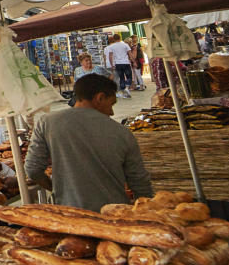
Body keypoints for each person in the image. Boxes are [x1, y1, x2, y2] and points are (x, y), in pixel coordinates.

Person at [25, 73, 154, 211]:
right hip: (114, 217)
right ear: (100, 98)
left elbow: (32, 170)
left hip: (68, 215)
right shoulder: (122, 133)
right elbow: (140, 183)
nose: (111, 112)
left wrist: (56, 187)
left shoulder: (47, 123)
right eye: (111, 104)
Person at [103, 34, 133, 98]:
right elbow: (129, 54)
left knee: (118, 78)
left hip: (113, 64)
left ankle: (119, 91)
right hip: (121, 63)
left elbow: (107, 57)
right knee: (124, 77)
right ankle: (124, 89)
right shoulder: (123, 45)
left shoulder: (108, 47)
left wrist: (109, 64)